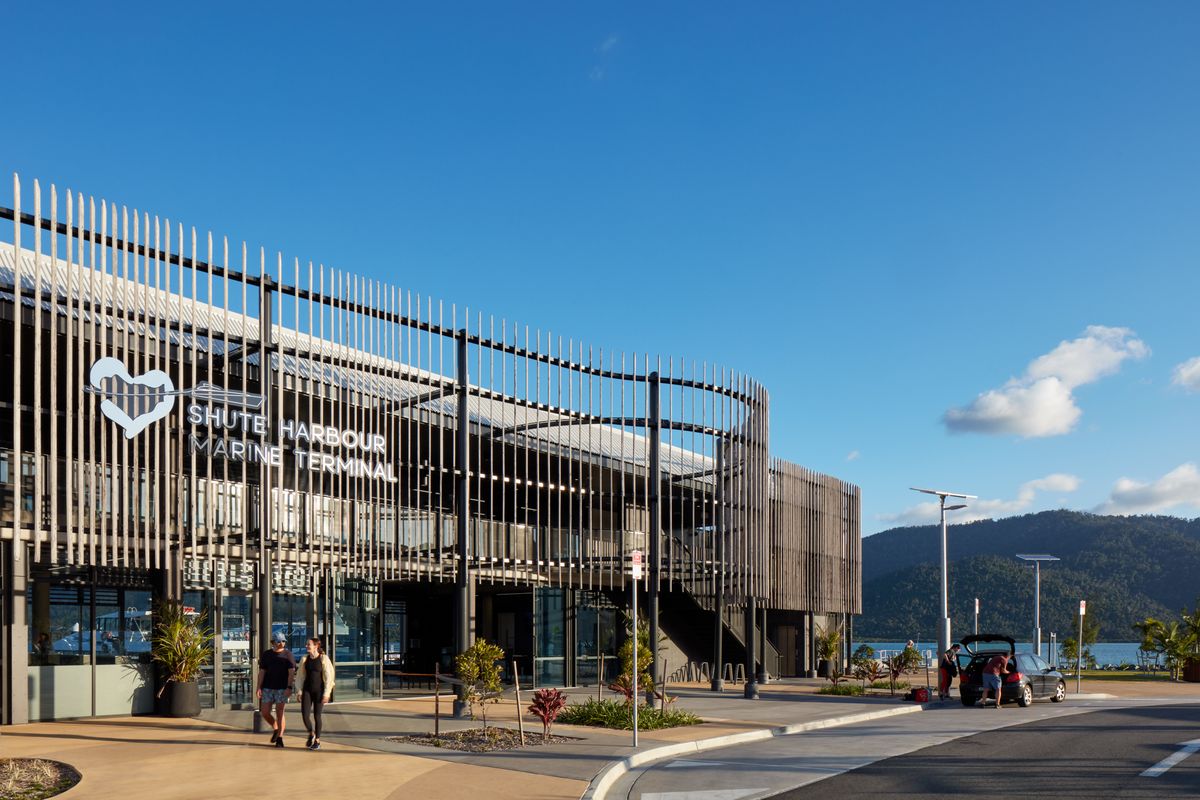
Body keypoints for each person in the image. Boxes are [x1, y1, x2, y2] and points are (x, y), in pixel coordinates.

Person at [257, 631, 297, 747]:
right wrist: (258, 687)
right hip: (268, 687)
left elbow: (291, 673)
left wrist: (289, 687)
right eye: (279, 641)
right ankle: (275, 727)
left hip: (282, 688)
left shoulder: (288, 655)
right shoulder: (267, 654)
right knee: (265, 712)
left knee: (280, 712)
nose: (281, 643)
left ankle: (280, 737)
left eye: (283, 641)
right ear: (273, 642)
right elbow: (262, 672)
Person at [296, 637, 335, 751]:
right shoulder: (305, 659)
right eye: (306, 644)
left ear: (316, 646)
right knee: (305, 715)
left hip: (319, 691)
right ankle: (311, 733)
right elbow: (300, 677)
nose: (306, 646)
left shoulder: (324, 658)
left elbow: (329, 677)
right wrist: (299, 691)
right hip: (307, 690)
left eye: (309, 644)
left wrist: (327, 693)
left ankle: (317, 741)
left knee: (317, 716)